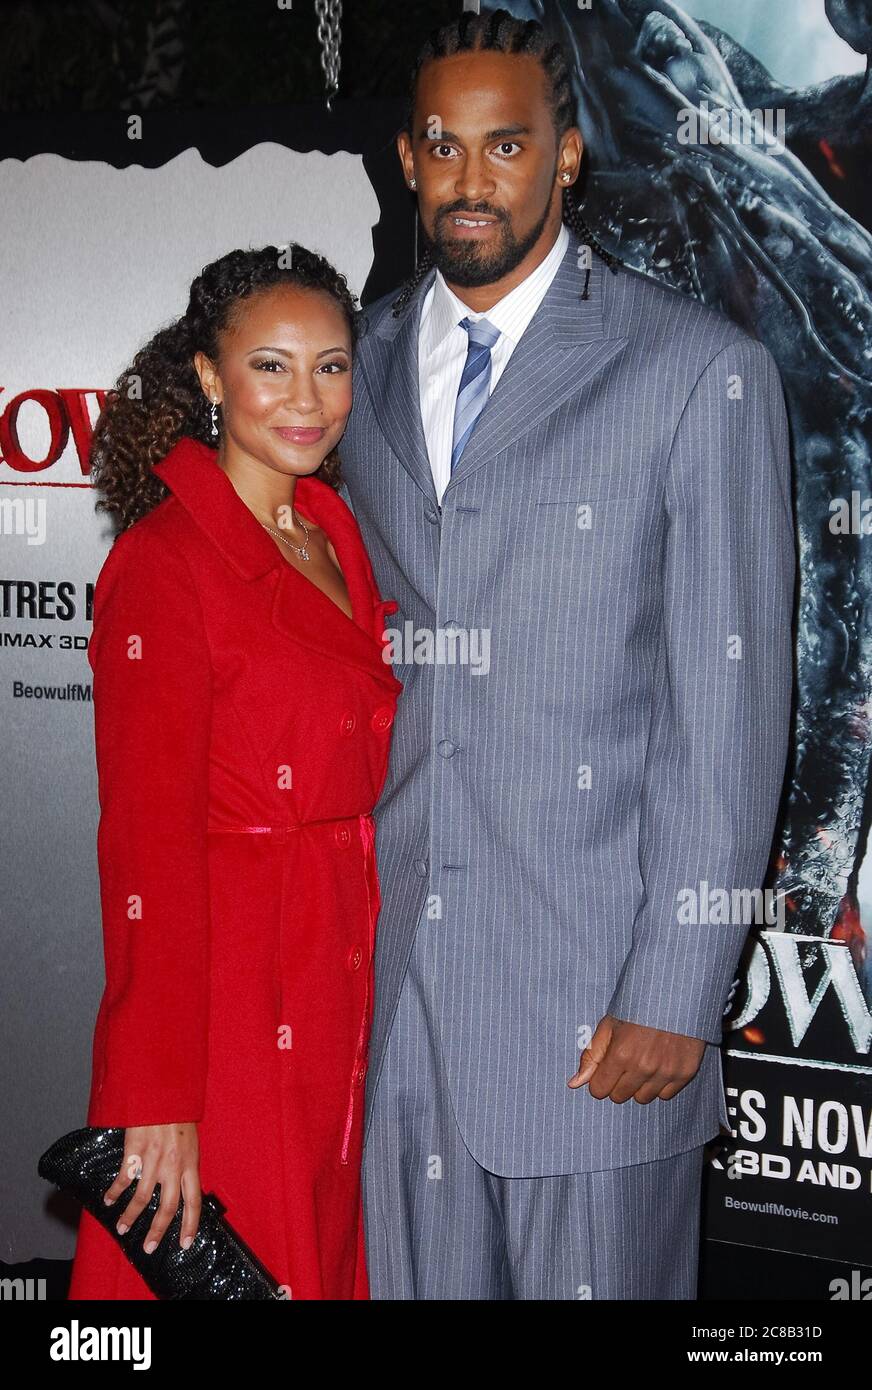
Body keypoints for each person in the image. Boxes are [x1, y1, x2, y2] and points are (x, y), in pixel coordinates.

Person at [339, 9, 796, 1299]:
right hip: (394, 1013)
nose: (470, 178)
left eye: (506, 145)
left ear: (568, 156)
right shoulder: (352, 370)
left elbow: (732, 705)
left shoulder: (694, 373)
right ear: (406, 158)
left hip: (596, 1009)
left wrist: (675, 985)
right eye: (442, 146)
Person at [67, 244, 402, 1300]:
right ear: (209, 376)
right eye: (271, 366)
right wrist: (156, 1092)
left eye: (332, 367)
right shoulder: (166, 564)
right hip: (230, 1001)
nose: (307, 400)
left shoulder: (337, 531)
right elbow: (144, 848)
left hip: (341, 965)